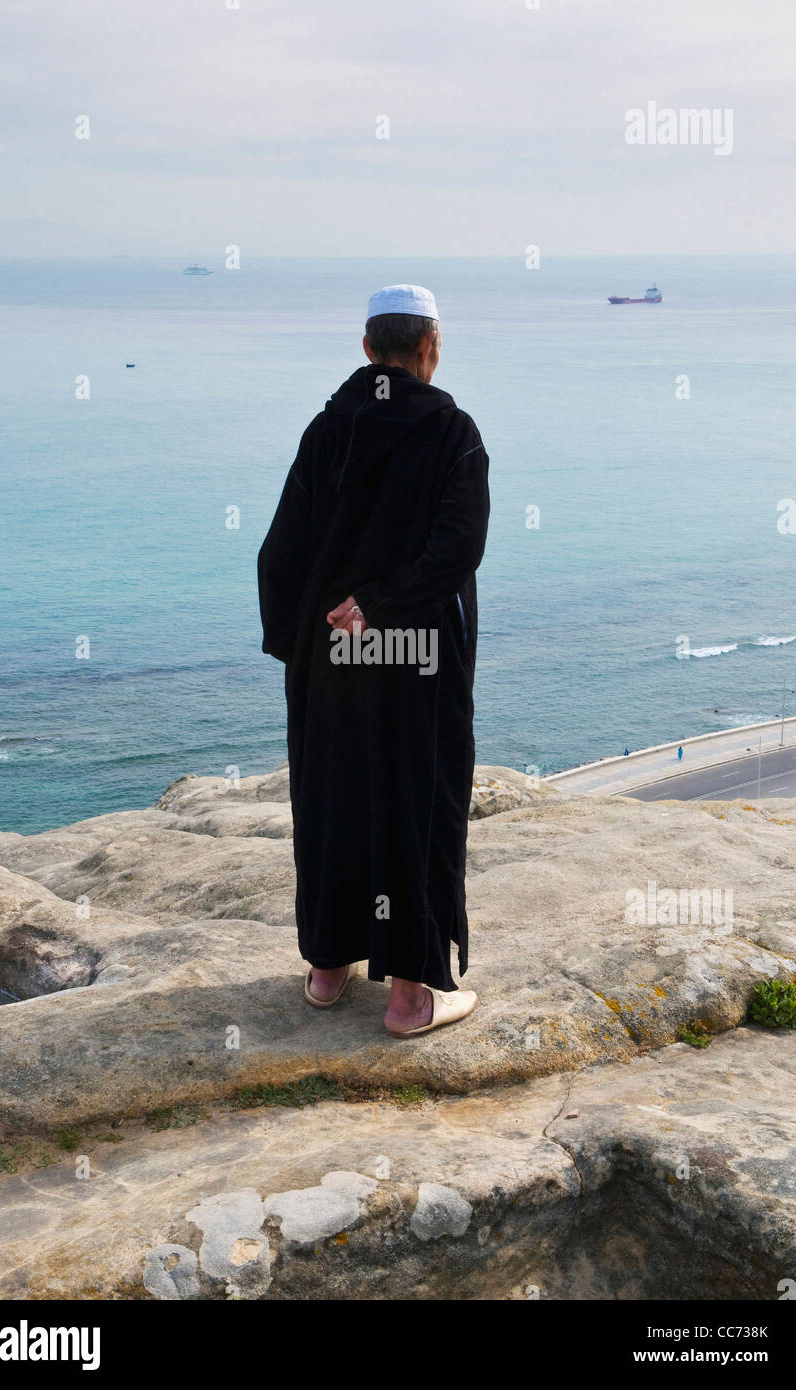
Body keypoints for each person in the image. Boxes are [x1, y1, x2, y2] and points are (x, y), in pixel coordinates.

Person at [258, 284, 490, 1038]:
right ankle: (411, 998)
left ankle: (328, 968)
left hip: (328, 660)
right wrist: (381, 609)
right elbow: (456, 548)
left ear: (367, 350)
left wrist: (302, 650)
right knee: (414, 805)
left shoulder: (326, 430)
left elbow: (278, 554)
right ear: (430, 345)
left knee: (334, 801)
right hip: (417, 659)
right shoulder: (451, 431)